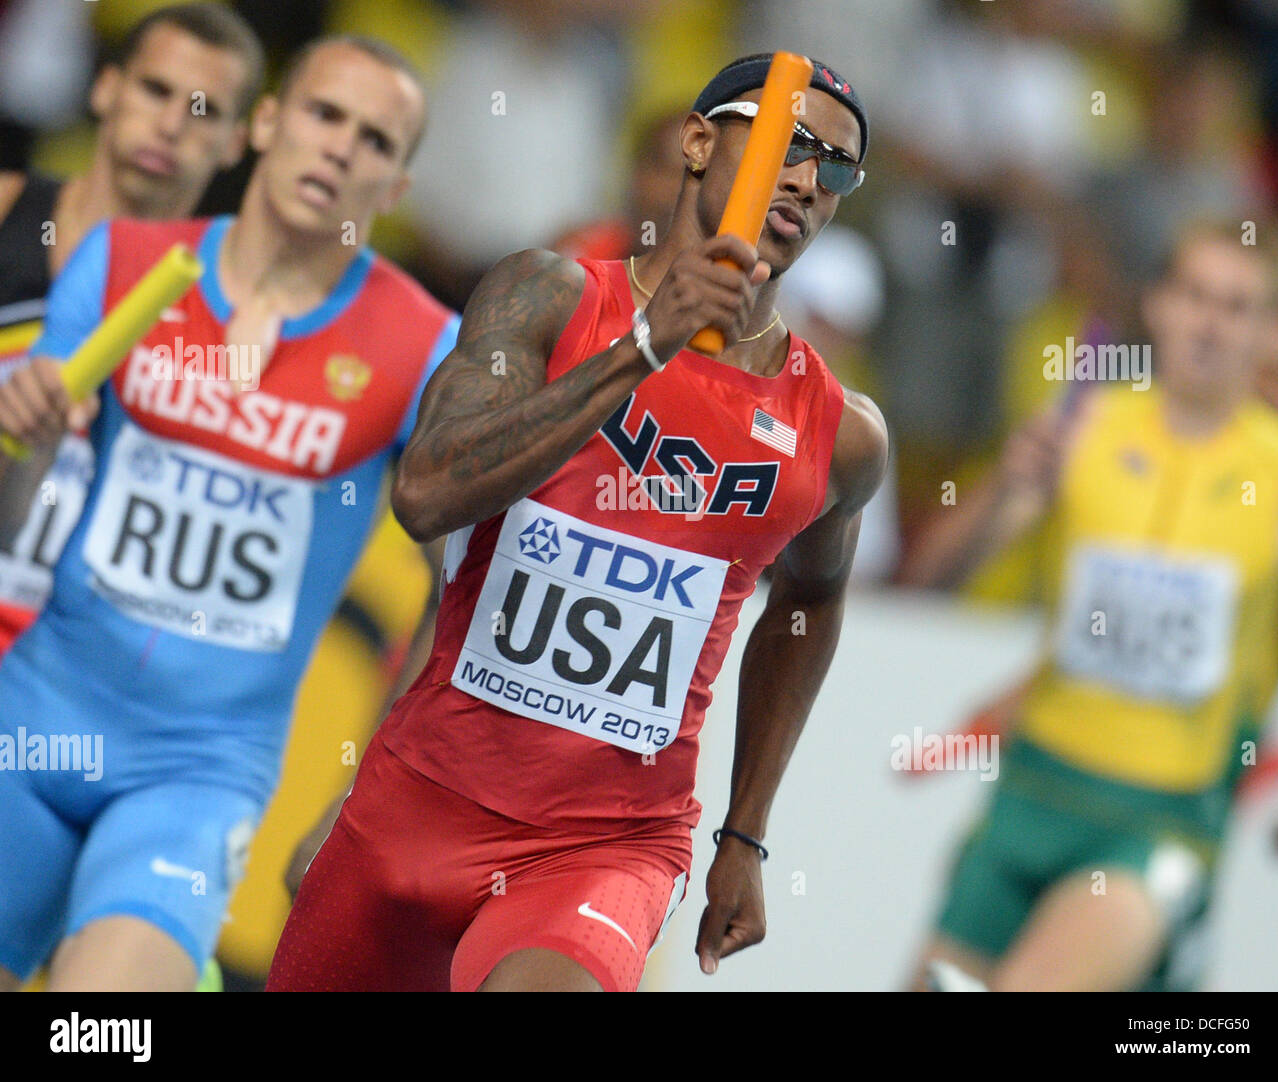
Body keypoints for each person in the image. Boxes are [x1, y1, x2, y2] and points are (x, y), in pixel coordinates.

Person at [269, 53, 889, 993]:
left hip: (611, 842)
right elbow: (427, 496)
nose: (806, 178)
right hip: (421, 796)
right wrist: (644, 350)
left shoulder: (836, 433)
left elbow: (812, 600)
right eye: (788, 143)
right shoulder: (548, 297)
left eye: (835, 169)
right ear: (694, 140)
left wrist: (746, 833)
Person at [0, 34, 458, 992]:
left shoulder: (422, 345)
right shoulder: (127, 262)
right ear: (264, 123)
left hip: (197, 773)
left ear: (398, 186)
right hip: (34, 717)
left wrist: (368, 791)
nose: (339, 148)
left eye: (375, 140)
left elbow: (462, 582)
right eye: (324, 114)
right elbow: (13, 517)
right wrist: (23, 439)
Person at [901, 222, 1278, 991]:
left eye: (1238, 305)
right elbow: (929, 582)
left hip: (1164, 818)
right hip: (1032, 789)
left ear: (1272, 330)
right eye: (1195, 296)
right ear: (1157, 304)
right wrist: (1002, 494)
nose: (1211, 323)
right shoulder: (1083, 427)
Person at [0, 2, 264, 652]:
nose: (172, 124)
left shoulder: (237, 327)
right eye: (155, 90)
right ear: (106, 87)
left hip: (73, 665)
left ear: (237, 140)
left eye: (203, 109)